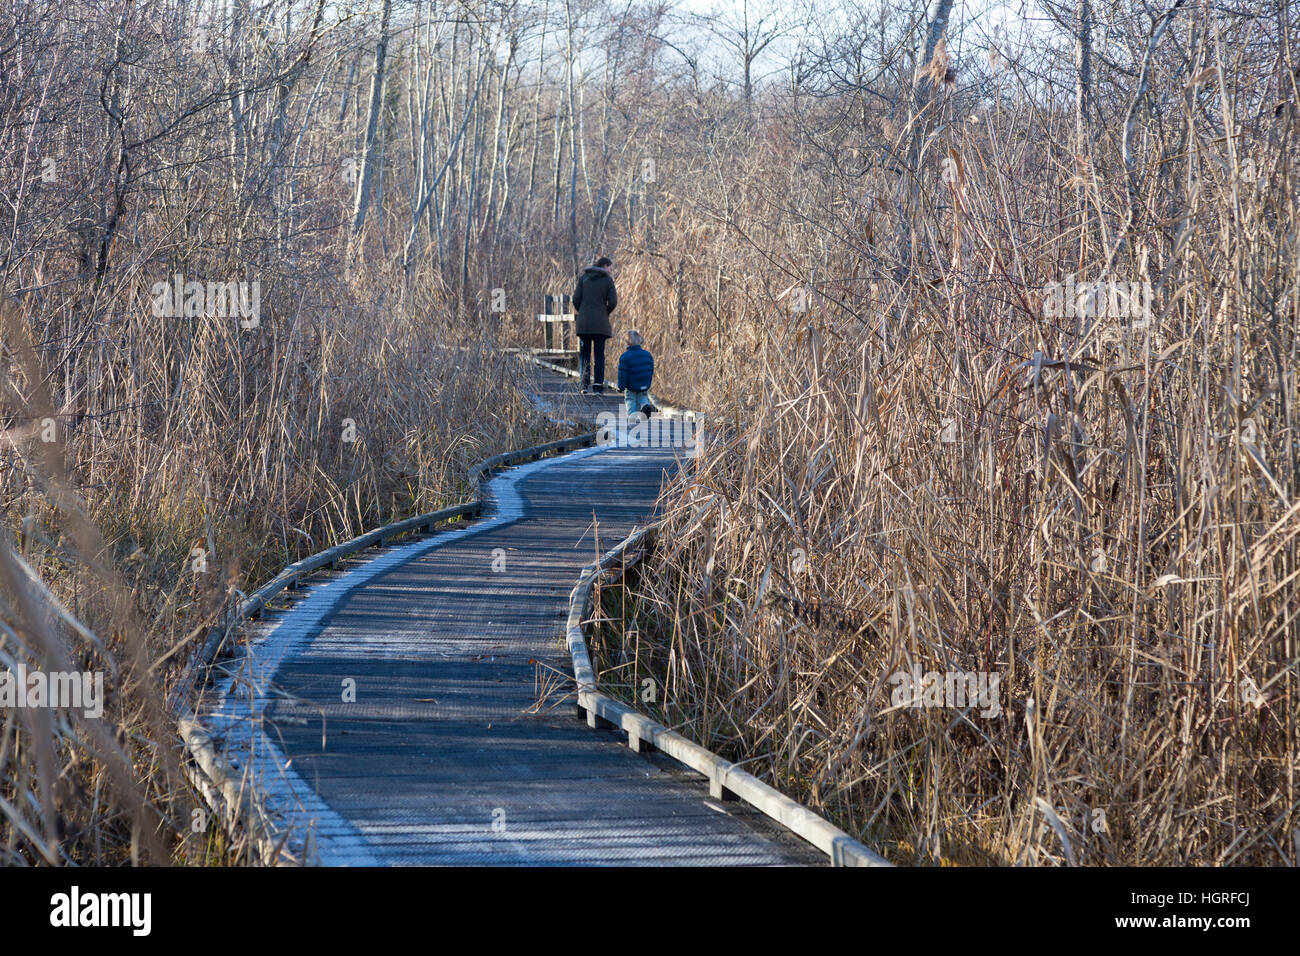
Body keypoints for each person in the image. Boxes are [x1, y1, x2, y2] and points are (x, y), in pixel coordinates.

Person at [572, 256, 617, 393]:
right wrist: (605, 312)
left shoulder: (583, 278)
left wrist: (583, 311)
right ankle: (597, 386)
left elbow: (575, 299)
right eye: (610, 267)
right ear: (604, 266)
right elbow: (613, 302)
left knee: (585, 354)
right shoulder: (608, 280)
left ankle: (584, 385)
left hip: (584, 323)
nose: (611, 270)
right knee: (599, 355)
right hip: (600, 324)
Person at [617, 329, 655, 416]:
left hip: (631, 385)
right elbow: (650, 370)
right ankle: (646, 406)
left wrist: (621, 387)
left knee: (630, 400)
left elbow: (622, 375)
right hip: (644, 384)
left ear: (627, 342)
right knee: (643, 397)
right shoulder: (647, 354)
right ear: (639, 341)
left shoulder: (625, 357)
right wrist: (647, 381)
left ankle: (632, 417)